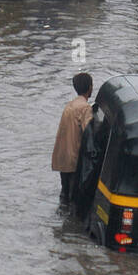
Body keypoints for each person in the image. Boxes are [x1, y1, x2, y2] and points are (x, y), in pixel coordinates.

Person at [51, 73, 93, 205]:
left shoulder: (70, 105)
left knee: (64, 194)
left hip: (62, 157)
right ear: (90, 87)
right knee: (74, 198)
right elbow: (89, 133)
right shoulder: (85, 108)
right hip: (74, 159)